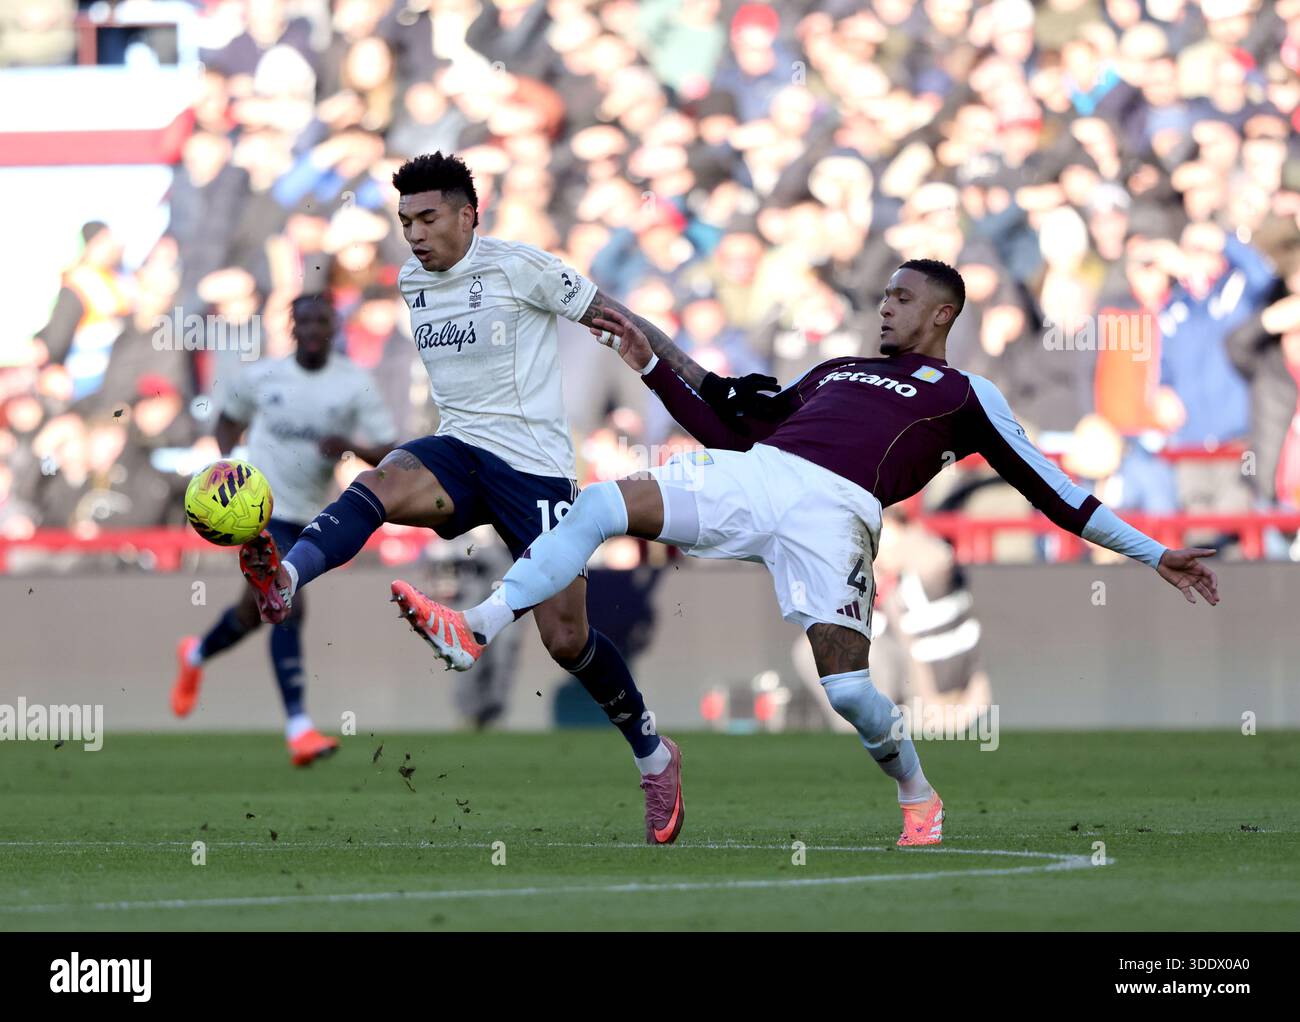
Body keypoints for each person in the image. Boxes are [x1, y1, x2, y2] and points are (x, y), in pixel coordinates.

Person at [392, 259, 1220, 847]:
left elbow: (1052, 490)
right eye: (884, 296)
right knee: (600, 501)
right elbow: (730, 425)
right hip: (760, 475)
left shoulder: (966, 395)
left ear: (943, 314)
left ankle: (917, 792)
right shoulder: (838, 369)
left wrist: (1153, 553)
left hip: (839, 518)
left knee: (850, 691)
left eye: (903, 298)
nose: (886, 307)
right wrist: (650, 365)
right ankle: (481, 624)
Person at [239, 153, 686, 844]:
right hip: (460, 451)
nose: (413, 235)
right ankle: (287, 578)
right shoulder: (412, 278)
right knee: (378, 483)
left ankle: (654, 757)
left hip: (536, 470)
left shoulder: (522, 267)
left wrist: (699, 389)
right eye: (404, 221)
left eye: (427, 218)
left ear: (467, 214)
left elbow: (617, 319)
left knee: (567, 641)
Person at [171, 293, 398, 766]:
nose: (314, 330)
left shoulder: (354, 384)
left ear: (334, 327)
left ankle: (195, 654)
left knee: (255, 612)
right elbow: (228, 419)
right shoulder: (263, 376)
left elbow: (391, 456)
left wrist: (352, 446)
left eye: (323, 322)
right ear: (293, 327)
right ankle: (299, 728)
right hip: (263, 512)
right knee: (286, 603)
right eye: (305, 321)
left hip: (314, 515)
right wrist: (228, 467)